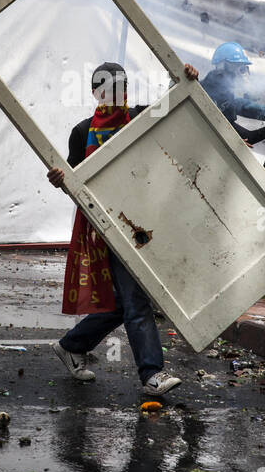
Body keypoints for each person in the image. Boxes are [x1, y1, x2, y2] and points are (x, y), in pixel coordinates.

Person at [46, 60, 199, 397]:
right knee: (136, 299)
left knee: (122, 303)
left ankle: (72, 346)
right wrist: (58, 180)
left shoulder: (142, 118)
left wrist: (186, 78)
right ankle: (151, 374)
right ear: (95, 92)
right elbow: (74, 180)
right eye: (107, 88)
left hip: (144, 224)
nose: (114, 94)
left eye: (120, 87)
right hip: (106, 229)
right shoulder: (82, 132)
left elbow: (178, 106)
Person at [200, 42, 265, 145]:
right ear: (224, 67)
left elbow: (245, 108)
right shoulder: (213, 89)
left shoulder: (224, 100)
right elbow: (249, 137)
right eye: (241, 69)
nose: (245, 74)